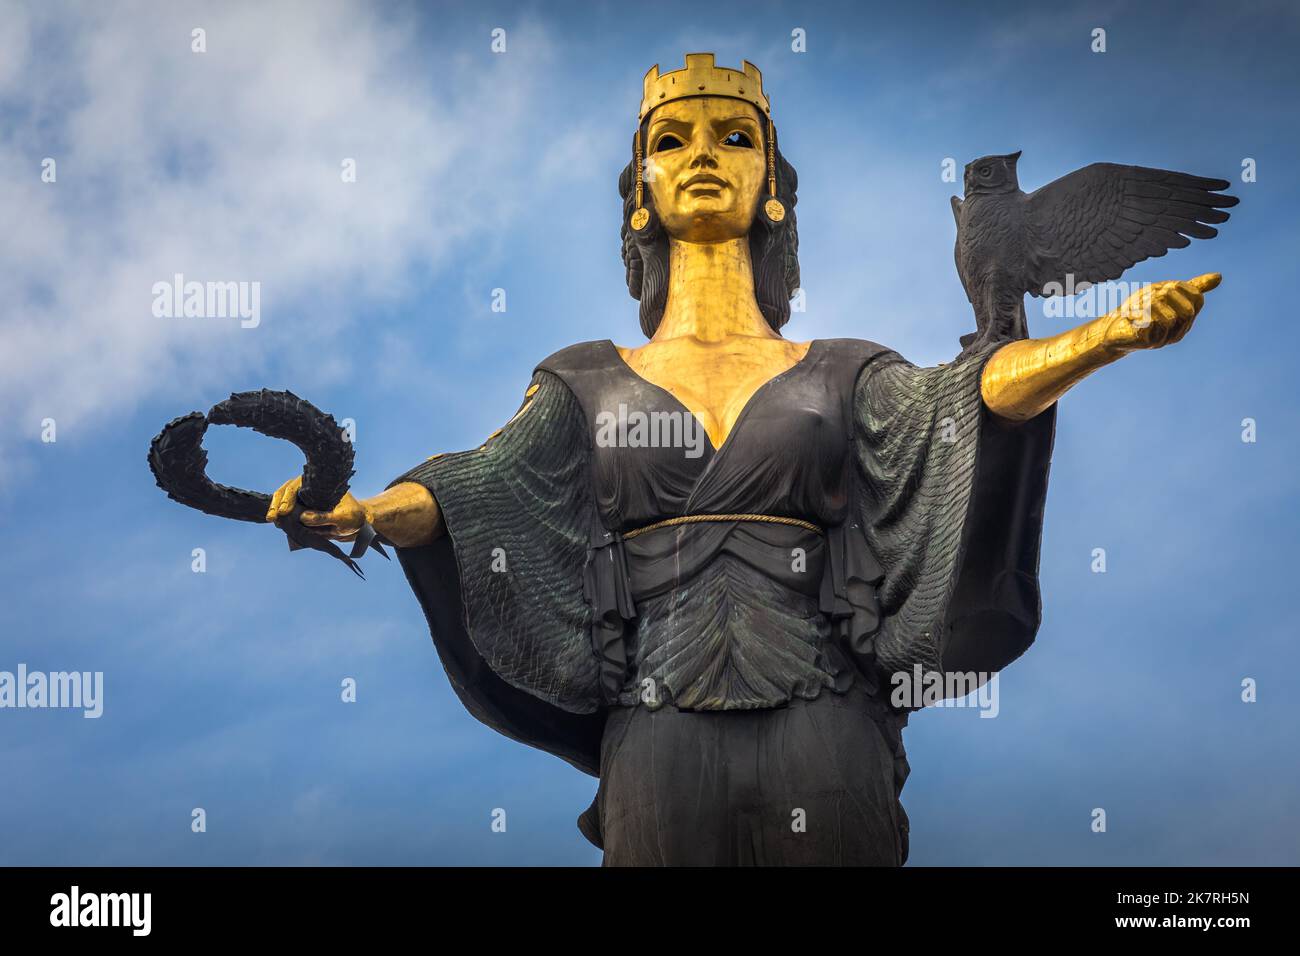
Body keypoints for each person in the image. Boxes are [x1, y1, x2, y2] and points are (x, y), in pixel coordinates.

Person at [266, 55, 1222, 865]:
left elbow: (965, 401)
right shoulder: (583, 380)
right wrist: (360, 513)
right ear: (641, 192)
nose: (703, 158)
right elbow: (479, 485)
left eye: (734, 137)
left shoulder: (846, 371)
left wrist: (1103, 339)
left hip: (826, 714)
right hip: (656, 724)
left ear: (772, 182)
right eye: (671, 141)